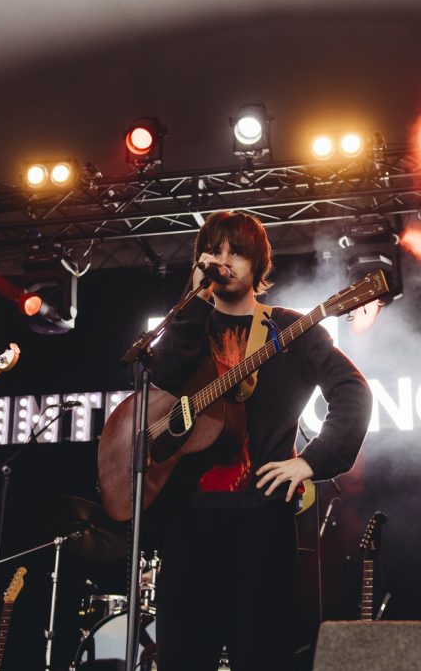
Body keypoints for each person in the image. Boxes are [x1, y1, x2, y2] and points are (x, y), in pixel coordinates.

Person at [149, 210, 373, 671]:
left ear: (258, 263)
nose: (224, 260)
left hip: (259, 521)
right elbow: (164, 377)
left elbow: (353, 393)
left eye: (237, 252)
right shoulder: (190, 327)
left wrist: (311, 461)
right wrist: (192, 302)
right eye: (214, 250)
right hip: (186, 522)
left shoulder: (289, 328)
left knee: (262, 655)